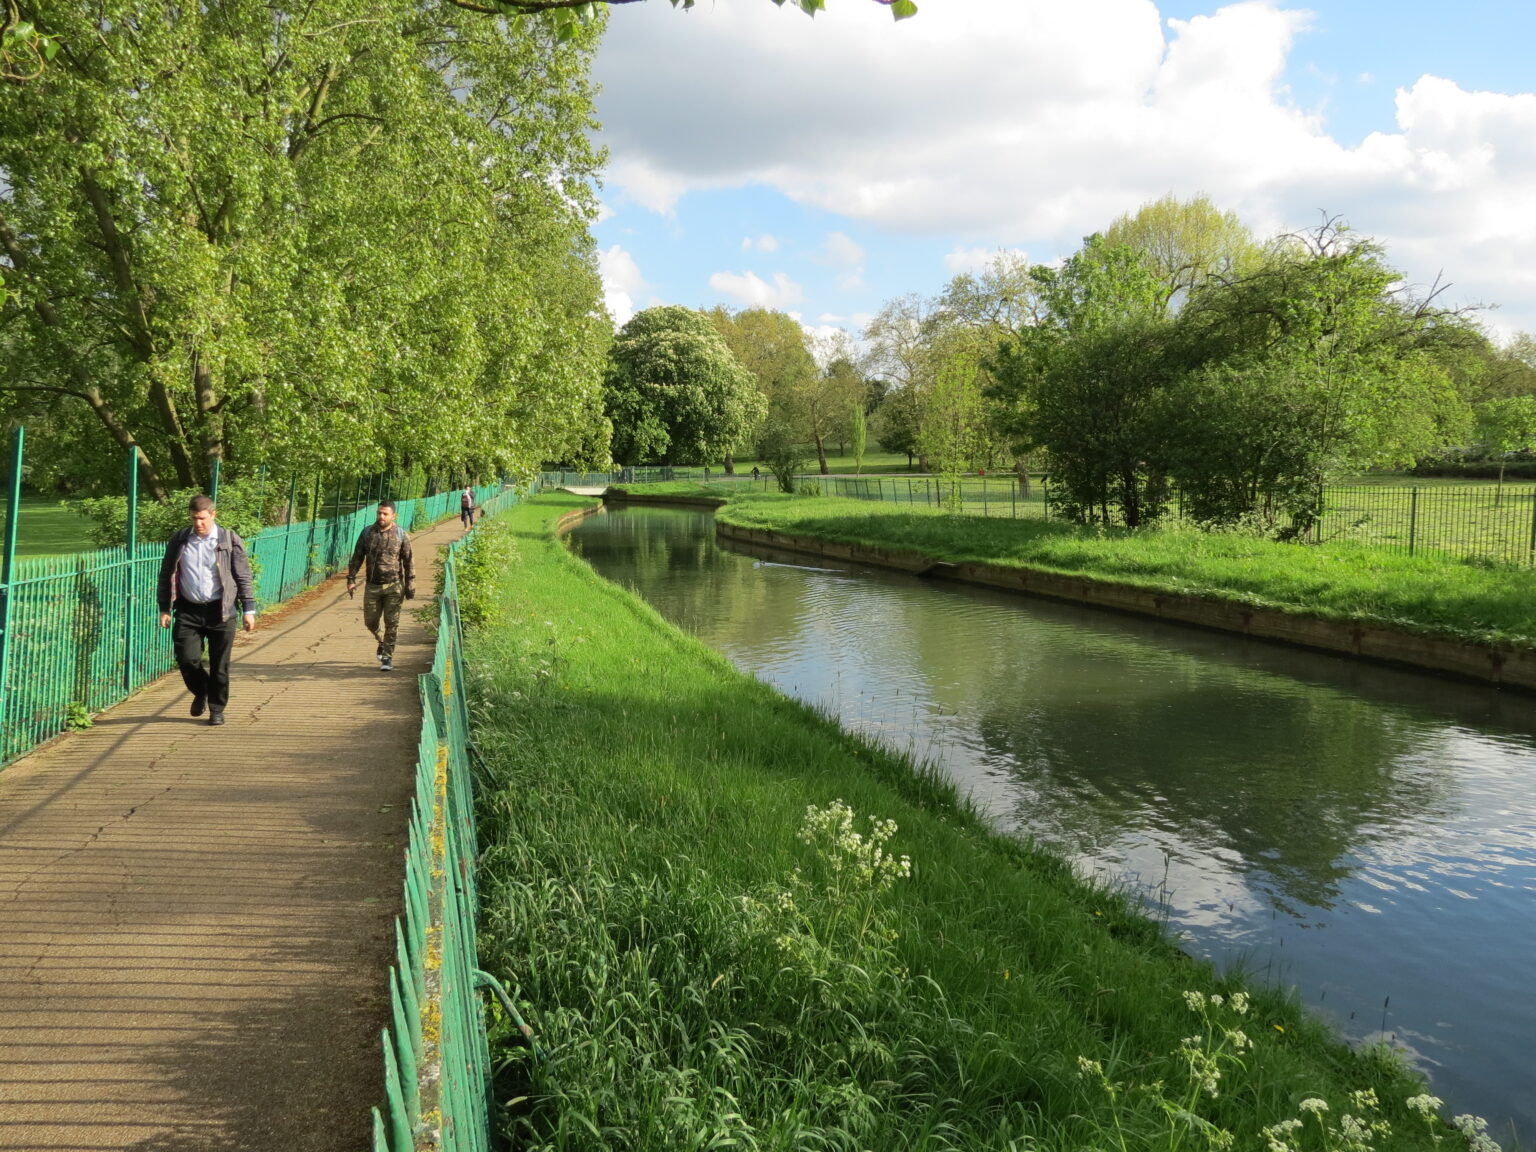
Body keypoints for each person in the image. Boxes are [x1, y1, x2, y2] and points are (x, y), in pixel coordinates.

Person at [156, 494, 257, 726]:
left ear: (213, 515)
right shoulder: (180, 540)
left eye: (202, 518)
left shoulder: (228, 540)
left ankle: (216, 708)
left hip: (220, 611)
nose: (198, 523)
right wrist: (164, 608)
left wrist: (249, 608)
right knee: (187, 660)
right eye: (194, 519)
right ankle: (201, 691)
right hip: (188, 610)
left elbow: (242, 576)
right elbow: (166, 574)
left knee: (220, 665)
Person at [347, 501, 415, 672]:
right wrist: (351, 579)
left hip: (394, 586)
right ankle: (382, 642)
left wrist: (410, 584)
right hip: (372, 586)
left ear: (393, 516)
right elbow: (357, 557)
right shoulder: (368, 533)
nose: (381, 517)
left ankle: (387, 657)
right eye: (379, 513)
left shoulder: (401, 534)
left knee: (392, 623)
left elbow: (408, 561)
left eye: (385, 514)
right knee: (370, 621)